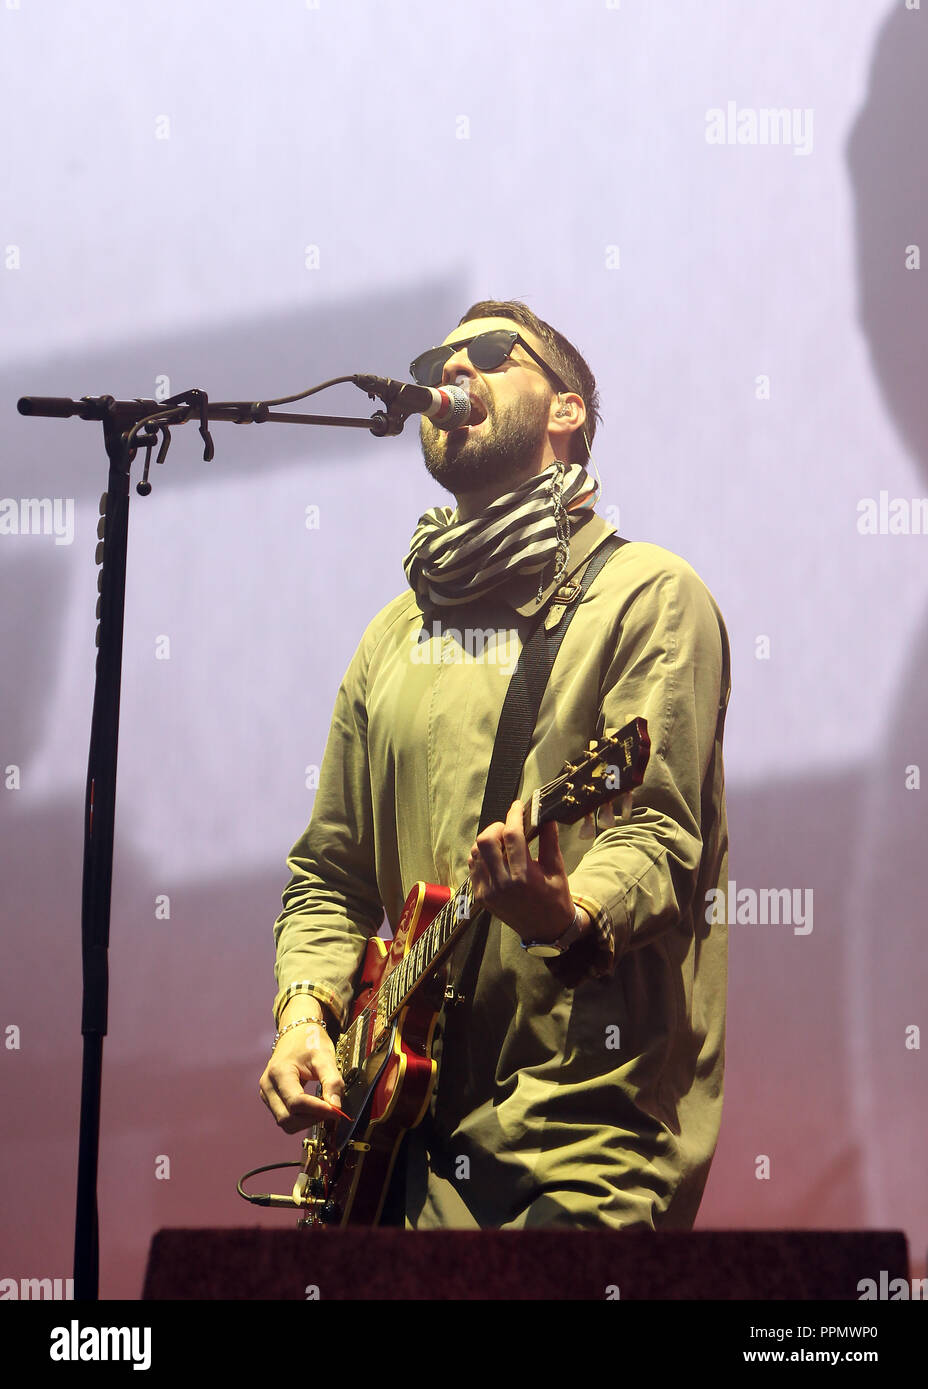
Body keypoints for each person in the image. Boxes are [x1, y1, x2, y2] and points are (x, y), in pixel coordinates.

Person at [259, 299, 731, 1230]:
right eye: (440, 353)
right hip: (395, 1156)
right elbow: (328, 875)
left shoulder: (646, 596)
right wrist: (305, 1017)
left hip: (577, 1146)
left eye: (486, 352)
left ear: (567, 413)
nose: (450, 366)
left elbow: (657, 830)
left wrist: (571, 911)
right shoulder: (392, 636)